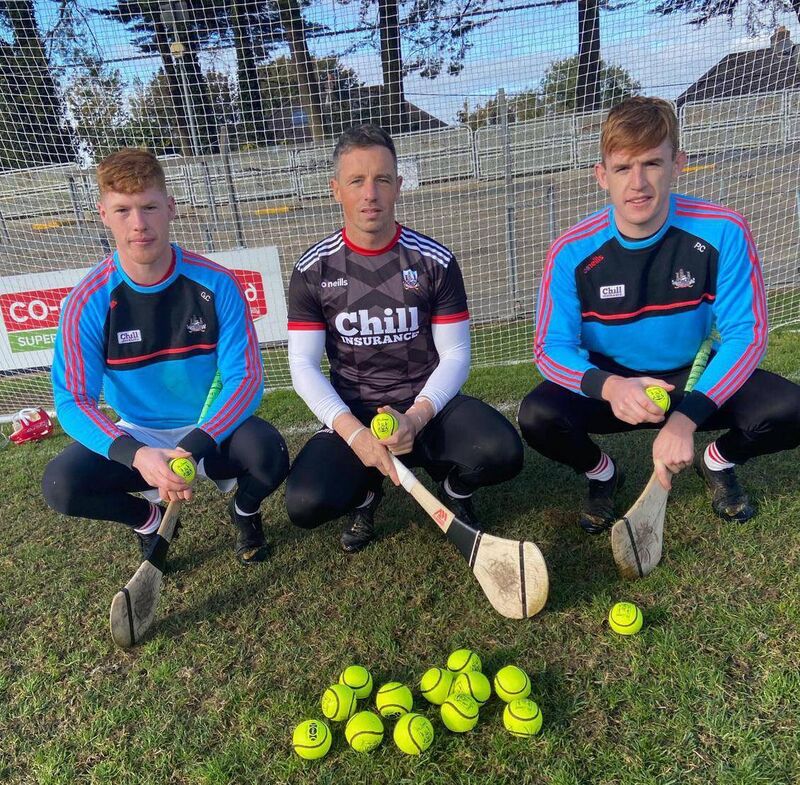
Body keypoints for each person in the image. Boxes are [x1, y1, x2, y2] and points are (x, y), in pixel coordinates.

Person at [518, 96, 800, 532]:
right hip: (619, 383)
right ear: (602, 176)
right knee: (538, 416)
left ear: (677, 164)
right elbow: (550, 349)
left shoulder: (723, 229)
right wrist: (611, 387)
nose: (638, 184)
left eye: (652, 163)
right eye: (622, 168)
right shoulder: (571, 252)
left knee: (790, 408)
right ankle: (603, 474)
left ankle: (718, 462)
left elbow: (747, 335)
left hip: (694, 374)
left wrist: (686, 419)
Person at [42, 148, 289, 564]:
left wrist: (192, 446)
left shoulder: (217, 284)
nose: (138, 224)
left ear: (170, 208)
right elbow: (72, 401)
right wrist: (138, 455)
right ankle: (148, 519)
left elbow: (245, 380)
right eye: (123, 210)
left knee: (270, 454)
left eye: (149, 207)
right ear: (103, 214)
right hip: (140, 433)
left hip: (208, 428)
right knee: (61, 485)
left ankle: (244, 511)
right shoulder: (86, 302)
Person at [284, 124, 523, 552]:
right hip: (354, 414)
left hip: (425, 407)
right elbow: (302, 366)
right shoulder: (312, 269)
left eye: (381, 179)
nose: (369, 193)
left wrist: (417, 416)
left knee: (502, 452)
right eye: (356, 181)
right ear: (336, 190)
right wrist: (355, 434)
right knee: (305, 503)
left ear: (398, 185)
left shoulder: (434, 260)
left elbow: (455, 353)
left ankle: (456, 491)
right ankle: (366, 494)